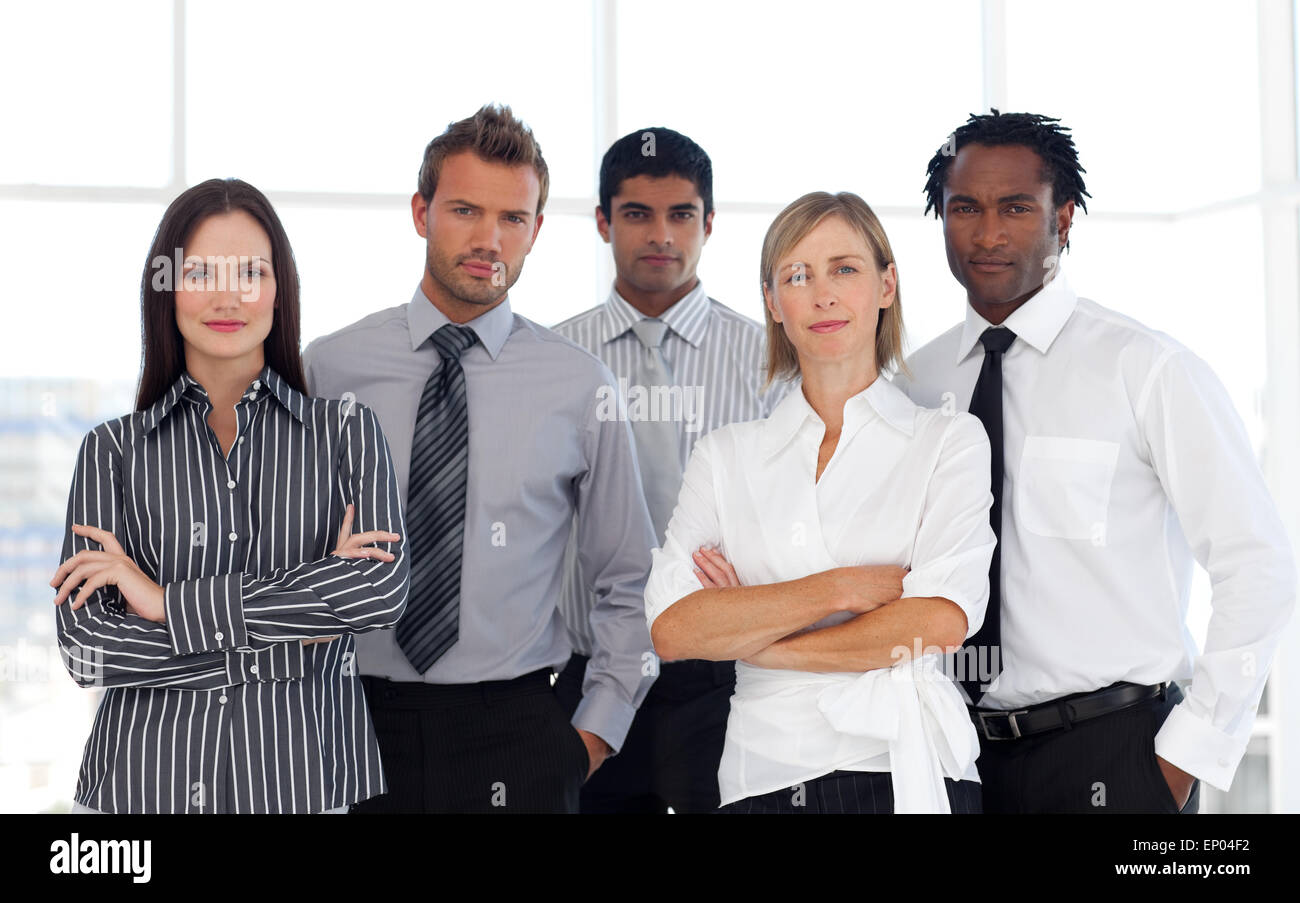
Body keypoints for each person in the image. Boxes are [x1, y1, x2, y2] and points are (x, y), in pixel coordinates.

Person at [896, 110, 1297, 813]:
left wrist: (1182, 757)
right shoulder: (914, 386)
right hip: (949, 755)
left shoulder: (1146, 368)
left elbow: (1256, 559)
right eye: (965, 208)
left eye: (1015, 207)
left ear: (1066, 217)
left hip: (1113, 752)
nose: (988, 233)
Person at [302, 104, 659, 814]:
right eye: (465, 209)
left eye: (513, 219)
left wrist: (589, 735)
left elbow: (630, 577)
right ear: (420, 211)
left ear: (535, 230)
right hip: (350, 725)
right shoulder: (329, 368)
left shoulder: (580, 385)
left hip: (518, 733)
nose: (488, 239)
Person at [50, 178, 410, 814]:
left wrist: (163, 604)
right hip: (141, 789)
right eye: (200, 272)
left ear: (279, 289)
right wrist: (303, 622)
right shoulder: (110, 453)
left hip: (305, 784)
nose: (227, 295)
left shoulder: (346, 431)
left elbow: (379, 593)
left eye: (251, 271)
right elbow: (88, 649)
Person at [643, 190, 995, 813]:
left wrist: (754, 638)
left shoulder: (947, 440)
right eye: (797, 276)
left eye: (845, 269)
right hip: (764, 775)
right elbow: (674, 629)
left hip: (901, 767)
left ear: (887, 285)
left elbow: (937, 621)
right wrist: (838, 589)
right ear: (774, 303)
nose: (823, 294)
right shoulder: (725, 458)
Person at [551, 127, 787, 813]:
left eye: (681, 214)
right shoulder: (553, 359)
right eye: (637, 214)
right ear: (603, 222)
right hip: (587, 675)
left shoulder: (770, 361)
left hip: (723, 679)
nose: (661, 234)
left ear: (709, 223)